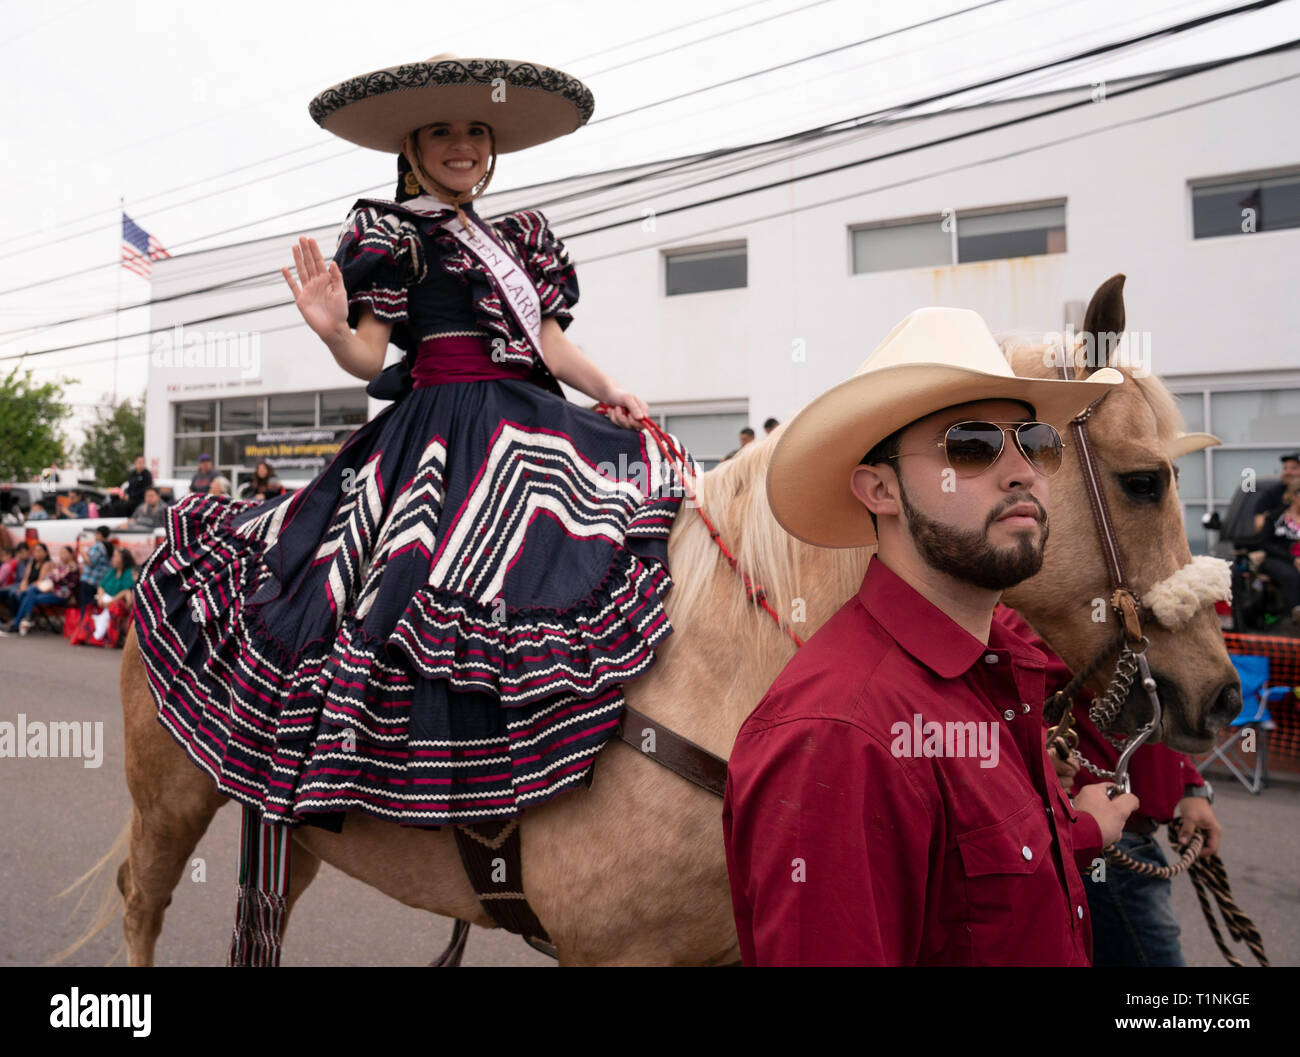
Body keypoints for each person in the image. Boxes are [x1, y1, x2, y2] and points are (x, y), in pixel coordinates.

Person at [130, 53, 693, 837]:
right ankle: (427, 789)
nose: (461, 145)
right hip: (437, 430)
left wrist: (609, 392)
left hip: (530, 414)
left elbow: (554, 349)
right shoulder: (389, 231)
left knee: (603, 533)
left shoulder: (522, 238)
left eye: (475, 131)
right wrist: (332, 331)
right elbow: (369, 357)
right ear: (413, 147)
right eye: (441, 132)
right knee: (407, 586)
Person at [722, 307, 1137, 966]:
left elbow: (978, 874)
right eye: (970, 445)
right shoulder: (839, 736)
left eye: (1035, 442)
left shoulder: (998, 669)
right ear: (880, 489)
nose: (1022, 469)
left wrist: (1079, 828)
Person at [993, 605, 1220, 966]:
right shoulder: (1066, 612)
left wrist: (1192, 789)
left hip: (1131, 839)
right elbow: (1000, 701)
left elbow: (1162, 716)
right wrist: (1041, 746)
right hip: (1108, 844)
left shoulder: (1146, 613)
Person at [0, 544, 79, 635]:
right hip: (52, 591)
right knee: (29, 591)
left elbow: (54, 578)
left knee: (29, 594)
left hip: (62, 595)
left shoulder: (72, 566)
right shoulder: (59, 566)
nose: (62, 555)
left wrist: (50, 580)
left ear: (71, 554)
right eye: (61, 553)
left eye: (64, 553)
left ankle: (20, 621)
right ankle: (25, 619)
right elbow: (47, 577)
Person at [71, 546, 136, 648]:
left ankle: (108, 639)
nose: (112, 559)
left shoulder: (128, 572)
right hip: (105, 600)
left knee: (114, 609)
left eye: (115, 557)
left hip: (118, 602)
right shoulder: (111, 572)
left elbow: (126, 591)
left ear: (123, 559)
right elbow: (101, 586)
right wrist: (101, 599)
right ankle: (88, 636)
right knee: (90, 607)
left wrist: (110, 602)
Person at [1256, 479, 1300, 622]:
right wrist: (1293, 560)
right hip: (1279, 558)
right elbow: (1265, 543)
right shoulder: (1275, 517)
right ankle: (1295, 611)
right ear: (1293, 496)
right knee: (1290, 574)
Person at [78, 526, 114, 607]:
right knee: (94, 606)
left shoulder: (98, 546)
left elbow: (90, 562)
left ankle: (85, 619)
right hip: (100, 580)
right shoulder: (109, 546)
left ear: (100, 534)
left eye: (96, 533)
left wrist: (82, 552)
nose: (94, 536)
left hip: (90, 579)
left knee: (86, 606)